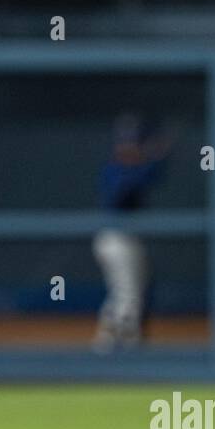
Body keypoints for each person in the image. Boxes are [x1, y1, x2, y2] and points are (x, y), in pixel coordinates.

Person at [91, 114, 172, 352]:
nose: (130, 149)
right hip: (115, 240)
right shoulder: (114, 171)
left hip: (127, 240)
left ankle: (110, 340)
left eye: (133, 144)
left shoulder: (132, 169)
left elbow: (152, 176)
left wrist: (158, 156)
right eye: (126, 144)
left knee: (127, 292)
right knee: (127, 294)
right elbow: (130, 185)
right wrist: (155, 157)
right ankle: (123, 345)